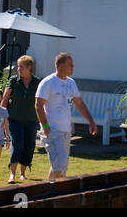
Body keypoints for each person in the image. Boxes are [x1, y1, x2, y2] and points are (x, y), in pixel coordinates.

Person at [35, 52, 97, 181]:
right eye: (70, 65)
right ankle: (52, 191)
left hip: (66, 131)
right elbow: (38, 105)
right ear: (61, 65)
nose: (73, 67)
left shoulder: (71, 83)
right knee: (59, 165)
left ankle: (52, 190)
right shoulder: (48, 82)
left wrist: (91, 121)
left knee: (60, 168)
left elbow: (79, 103)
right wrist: (45, 127)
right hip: (52, 130)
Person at [2, 54, 39, 184]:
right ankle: (12, 174)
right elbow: (5, 99)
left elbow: (41, 101)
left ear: (29, 68)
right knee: (17, 145)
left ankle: (22, 173)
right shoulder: (13, 80)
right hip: (14, 120)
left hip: (31, 120)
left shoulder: (37, 82)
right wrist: (2, 117)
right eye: (18, 66)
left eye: (21, 67)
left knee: (29, 146)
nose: (18, 69)